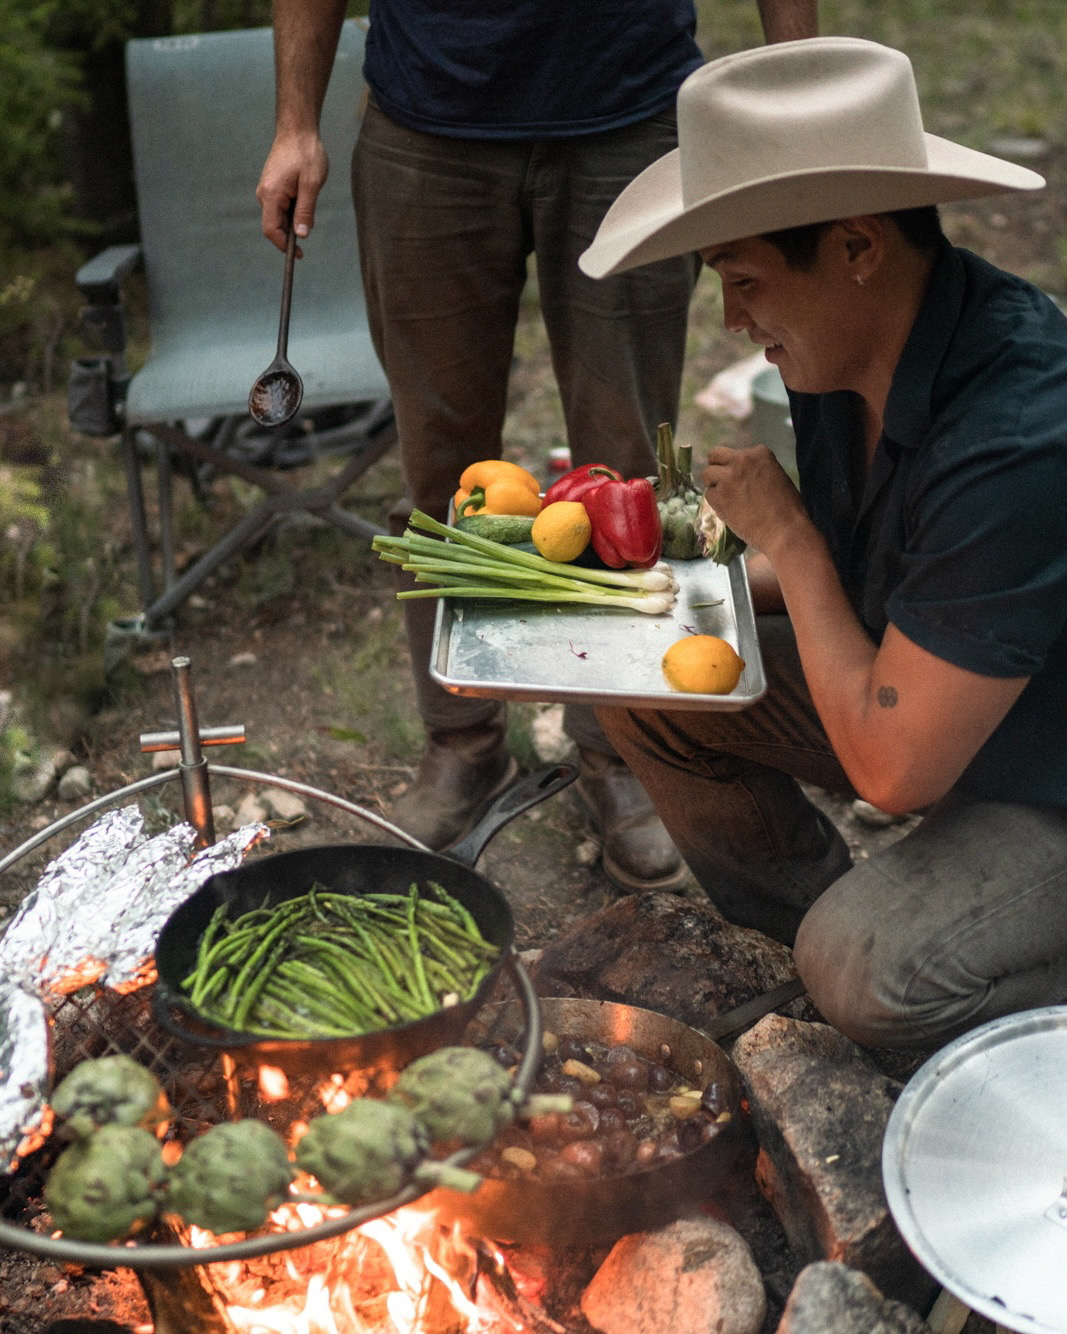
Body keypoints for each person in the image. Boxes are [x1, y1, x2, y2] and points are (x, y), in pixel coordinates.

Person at [256, 0, 819, 890]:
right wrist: (295, 124)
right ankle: (462, 742)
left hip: (628, 119)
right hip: (425, 126)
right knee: (441, 479)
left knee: (629, 477)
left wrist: (801, 93)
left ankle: (621, 752)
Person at [579, 36, 1067, 1050]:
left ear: (855, 248)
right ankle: (811, 945)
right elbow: (866, 580)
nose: (729, 318)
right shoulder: (847, 353)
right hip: (956, 711)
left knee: (867, 968)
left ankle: (922, 982)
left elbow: (894, 772)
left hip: (1043, 767)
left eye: (745, 281)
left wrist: (788, 540)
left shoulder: (1016, 434)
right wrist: (642, 601)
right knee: (645, 670)